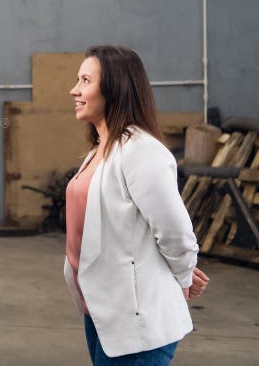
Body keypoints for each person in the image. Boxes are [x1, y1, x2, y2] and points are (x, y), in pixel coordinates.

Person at [64, 45, 209, 365]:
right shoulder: (100, 150)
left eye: (85, 80)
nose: (75, 90)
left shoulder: (141, 151)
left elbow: (176, 234)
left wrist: (183, 276)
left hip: (136, 321)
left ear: (115, 88)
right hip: (103, 312)